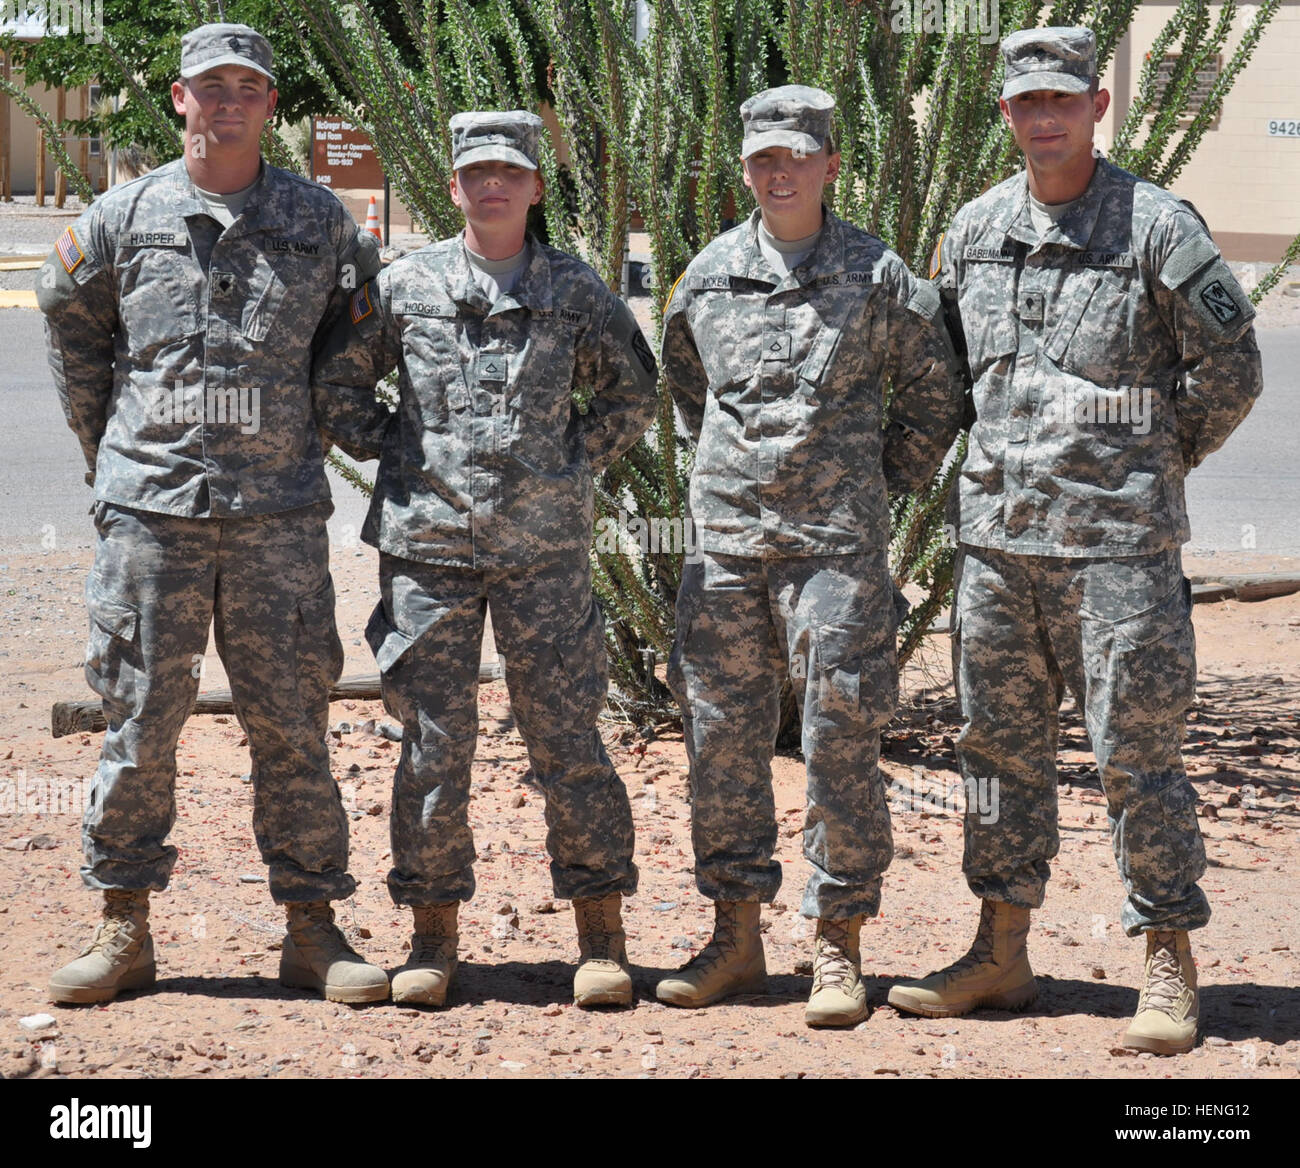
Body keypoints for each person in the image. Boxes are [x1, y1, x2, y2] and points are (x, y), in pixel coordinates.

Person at [887, 27, 1263, 1055]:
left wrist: (1149, 463)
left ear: (1098, 106)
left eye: (1062, 99)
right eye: (1027, 102)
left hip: (1117, 554)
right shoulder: (974, 229)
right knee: (994, 752)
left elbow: (1230, 368)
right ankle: (999, 949)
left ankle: (1168, 960)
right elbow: (944, 376)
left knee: (1137, 756)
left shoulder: (1156, 226)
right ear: (1005, 113)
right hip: (998, 547)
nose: (1044, 117)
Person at [39, 23, 387, 1005]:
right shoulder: (123, 217)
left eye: (247, 86)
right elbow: (71, 325)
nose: (228, 101)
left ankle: (312, 927)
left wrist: (317, 425)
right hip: (152, 516)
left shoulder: (319, 221)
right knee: (139, 721)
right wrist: (113, 453)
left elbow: (357, 337)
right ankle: (123, 925)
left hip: (277, 516)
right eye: (210, 85)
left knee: (293, 724)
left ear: (270, 103)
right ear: (180, 98)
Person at [312, 110, 658, 1009]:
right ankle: (431, 934)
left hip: (545, 554)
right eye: (476, 174)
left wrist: (566, 466)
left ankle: (601, 933)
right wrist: (403, 457)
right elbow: (338, 385)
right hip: (428, 551)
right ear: (455, 186)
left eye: (509, 172)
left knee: (568, 737)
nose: (492, 186)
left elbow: (632, 393)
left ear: (535, 186)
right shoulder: (406, 286)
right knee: (432, 743)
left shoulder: (574, 289)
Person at [655, 86, 963, 1027]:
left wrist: (875, 480)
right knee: (721, 738)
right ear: (745, 169)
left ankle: (838, 943)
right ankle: (735, 937)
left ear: (830, 164)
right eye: (763, 159)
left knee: (840, 736)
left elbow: (935, 392)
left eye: (797, 157)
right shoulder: (708, 276)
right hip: (727, 551)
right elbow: (688, 388)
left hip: (835, 552)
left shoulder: (878, 274)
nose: (779, 173)